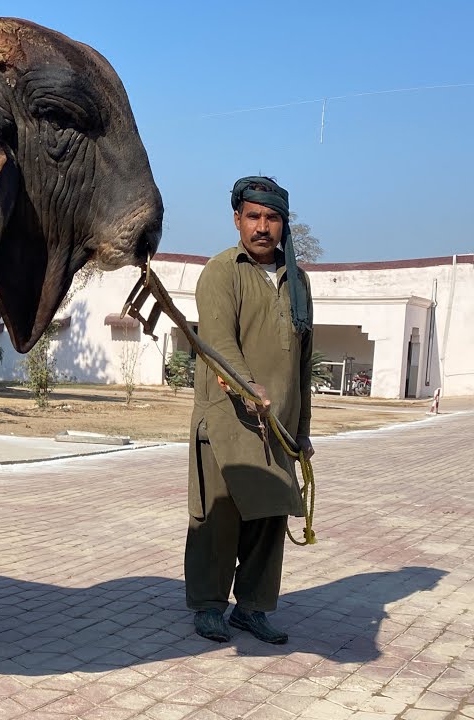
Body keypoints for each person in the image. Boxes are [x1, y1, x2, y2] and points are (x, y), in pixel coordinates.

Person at [185, 176, 315, 644]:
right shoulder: (221, 272)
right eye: (254, 216)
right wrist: (245, 386)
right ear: (237, 219)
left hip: (277, 427)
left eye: (272, 217)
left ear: (283, 223)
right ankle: (209, 606)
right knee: (217, 518)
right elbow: (217, 343)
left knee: (269, 519)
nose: (263, 226)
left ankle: (253, 607)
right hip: (226, 419)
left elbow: (304, 362)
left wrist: (302, 430)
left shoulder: (297, 280)